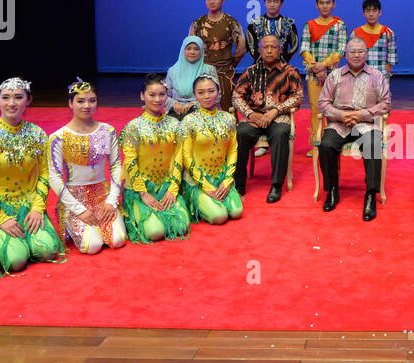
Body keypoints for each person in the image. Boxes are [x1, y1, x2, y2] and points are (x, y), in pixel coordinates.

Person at [0, 77, 64, 274]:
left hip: (28, 206)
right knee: (15, 261)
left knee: (47, 251)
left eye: (18, 97)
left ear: (28, 100)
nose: (11, 103)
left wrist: (38, 208)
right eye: (6, 97)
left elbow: (44, 174)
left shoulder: (37, 134)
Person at [47, 78, 127, 255]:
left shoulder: (107, 131)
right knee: (93, 246)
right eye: (80, 101)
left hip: (102, 196)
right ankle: (71, 221)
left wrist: (111, 201)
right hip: (75, 199)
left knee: (117, 240)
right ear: (70, 103)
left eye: (92, 100)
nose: (87, 105)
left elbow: (116, 166)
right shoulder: (59, 137)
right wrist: (79, 210)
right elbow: (54, 177)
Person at [317, 36, 391, 221]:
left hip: (366, 124)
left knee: (373, 146)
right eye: (352, 52)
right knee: (326, 145)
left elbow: (386, 104)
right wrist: (341, 115)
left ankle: (370, 194)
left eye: (360, 51)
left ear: (366, 53)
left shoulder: (377, 76)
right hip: (339, 123)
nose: (356, 55)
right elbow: (323, 103)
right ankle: (332, 190)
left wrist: (361, 115)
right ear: (345, 54)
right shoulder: (335, 75)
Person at [233, 34, 304, 203]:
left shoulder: (290, 72)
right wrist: (250, 114)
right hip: (254, 118)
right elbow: (236, 96)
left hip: (278, 117)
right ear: (259, 50)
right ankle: (238, 185)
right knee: (240, 133)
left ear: (280, 50)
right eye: (266, 47)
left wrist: (276, 110)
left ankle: (276, 185)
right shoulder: (250, 71)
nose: (269, 50)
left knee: (280, 133)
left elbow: (298, 96)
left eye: (273, 47)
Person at [120, 74, 190, 243]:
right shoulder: (133, 127)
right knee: (155, 233)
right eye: (152, 95)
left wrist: (173, 189)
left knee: (182, 227)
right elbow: (130, 162)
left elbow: (178, 159)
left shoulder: (174, 124)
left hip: (166, 186)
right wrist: (143, 193)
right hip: (140, 189)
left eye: (162, 94)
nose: (157, 99)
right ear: (142, 96)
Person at [181, 69, 243, 225]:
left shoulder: (228, 118)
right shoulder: (189, 121)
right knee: (219, 217)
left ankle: (215, 199)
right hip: (197, 181)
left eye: (211, 91)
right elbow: (186, 157)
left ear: (218, 92)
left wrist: (227, 180)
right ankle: (196, 201)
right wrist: (205, 185)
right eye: (201, 92)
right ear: (195, 95)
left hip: (221, 178)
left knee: (236, 212)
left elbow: (232, 150)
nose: (207, 96)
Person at [300, 0, 348, 157]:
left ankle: (334, 143)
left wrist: (324, 65)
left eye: (328, 2)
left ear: (334, 4)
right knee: (316, 109)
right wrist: (316, 67)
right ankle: (316, 144)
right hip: (313, 75)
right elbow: (304, 49)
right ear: (316, 5)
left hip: (334, 74)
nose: (325, 6)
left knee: (334, 109)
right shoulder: (309, 25)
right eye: (322, 3)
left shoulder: (340, 25)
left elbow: (341, 50)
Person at [188, 0, 245, 108]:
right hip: (203, 71)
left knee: (227, 106)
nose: (212, 2)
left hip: (225, 72)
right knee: (202, 105)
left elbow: (241, 49)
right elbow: (190, 47)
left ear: (223, 0)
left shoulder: (231, 23)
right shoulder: (198, 23)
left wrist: (231, 65)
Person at [245, 0, 301, 65]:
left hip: (282, 67)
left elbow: (294, 46)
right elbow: (249, 45)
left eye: (275, 1)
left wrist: (284, 59)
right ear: (264, 3)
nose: (272, 5)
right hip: (259, 66)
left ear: (281, 3)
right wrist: (260, 58)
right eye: (269, 1)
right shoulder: (254, 23)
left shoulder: (289, 24)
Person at [165, 35, 214, 120]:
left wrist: (196, 104)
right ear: (183, 50)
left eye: (196, 49)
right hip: (176, 112)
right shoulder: (172, 71)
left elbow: (216, 95)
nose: (192, 52)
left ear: (202, 51)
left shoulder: (209, 70)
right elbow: (164, 95)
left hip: (201, 112)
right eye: (188, 48)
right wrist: (174, 104)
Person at [355, 0, 396, 80]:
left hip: (381, 76)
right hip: (361, 76)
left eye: (374, 11)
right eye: (368, 11)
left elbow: (392, 55)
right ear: (363, 13)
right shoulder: (356, 33)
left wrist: (386, 73)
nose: (371, 14)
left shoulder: (388, 33)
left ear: (379, 12)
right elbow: (352, 56)